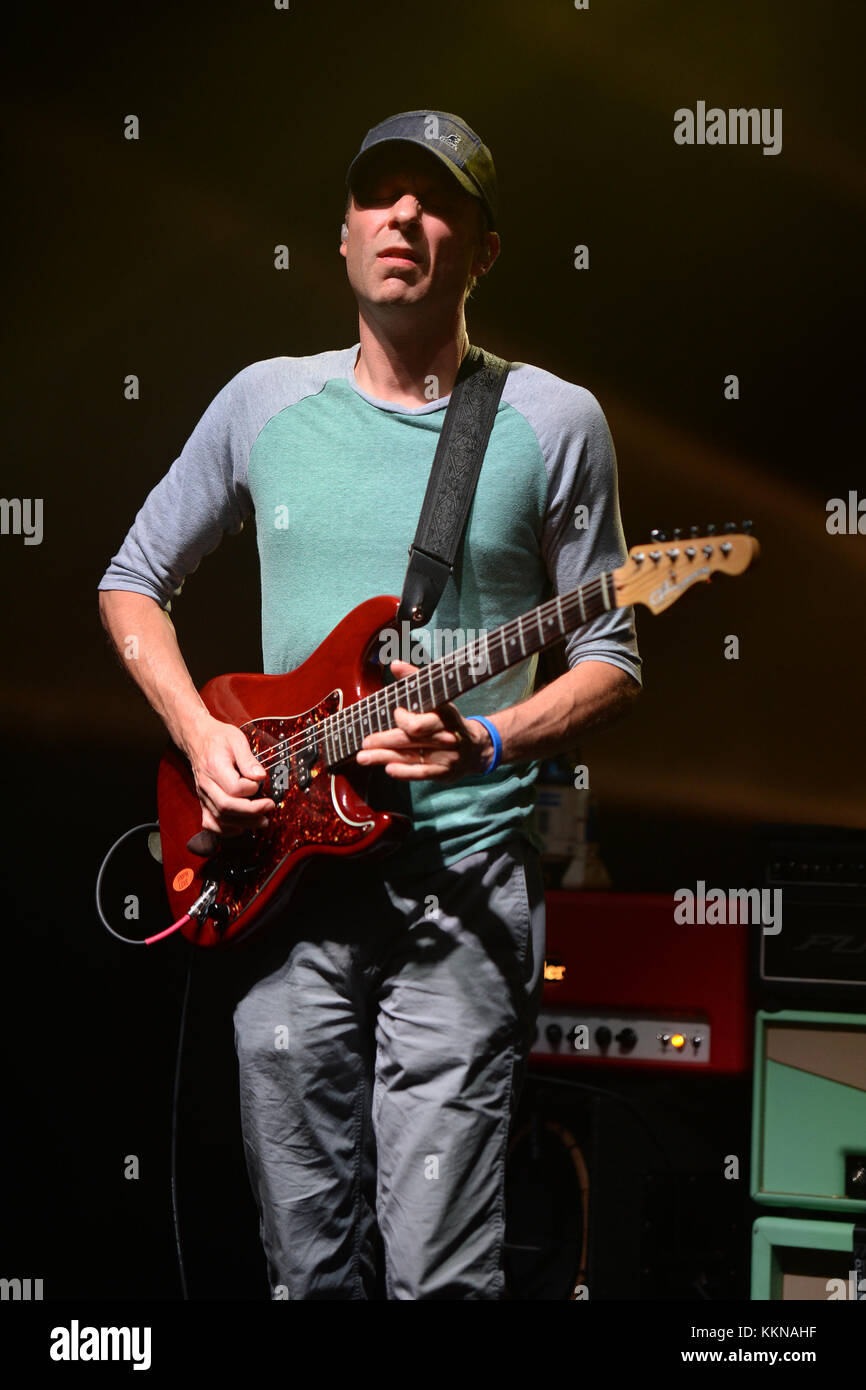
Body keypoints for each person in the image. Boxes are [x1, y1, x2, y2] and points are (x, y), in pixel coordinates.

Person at [98, 109, 642, 1299]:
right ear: (341, 235)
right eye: (378, 195)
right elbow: (132, 580)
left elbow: (611, 654)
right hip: (278, 887)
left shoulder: (553, 421)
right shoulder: (263, 404)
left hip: (461, 892)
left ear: (482, 248)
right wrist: (201, 734)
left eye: (434, 198)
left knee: (441, 1274)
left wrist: (489, 735)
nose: (402, 217)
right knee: (303, 1268)